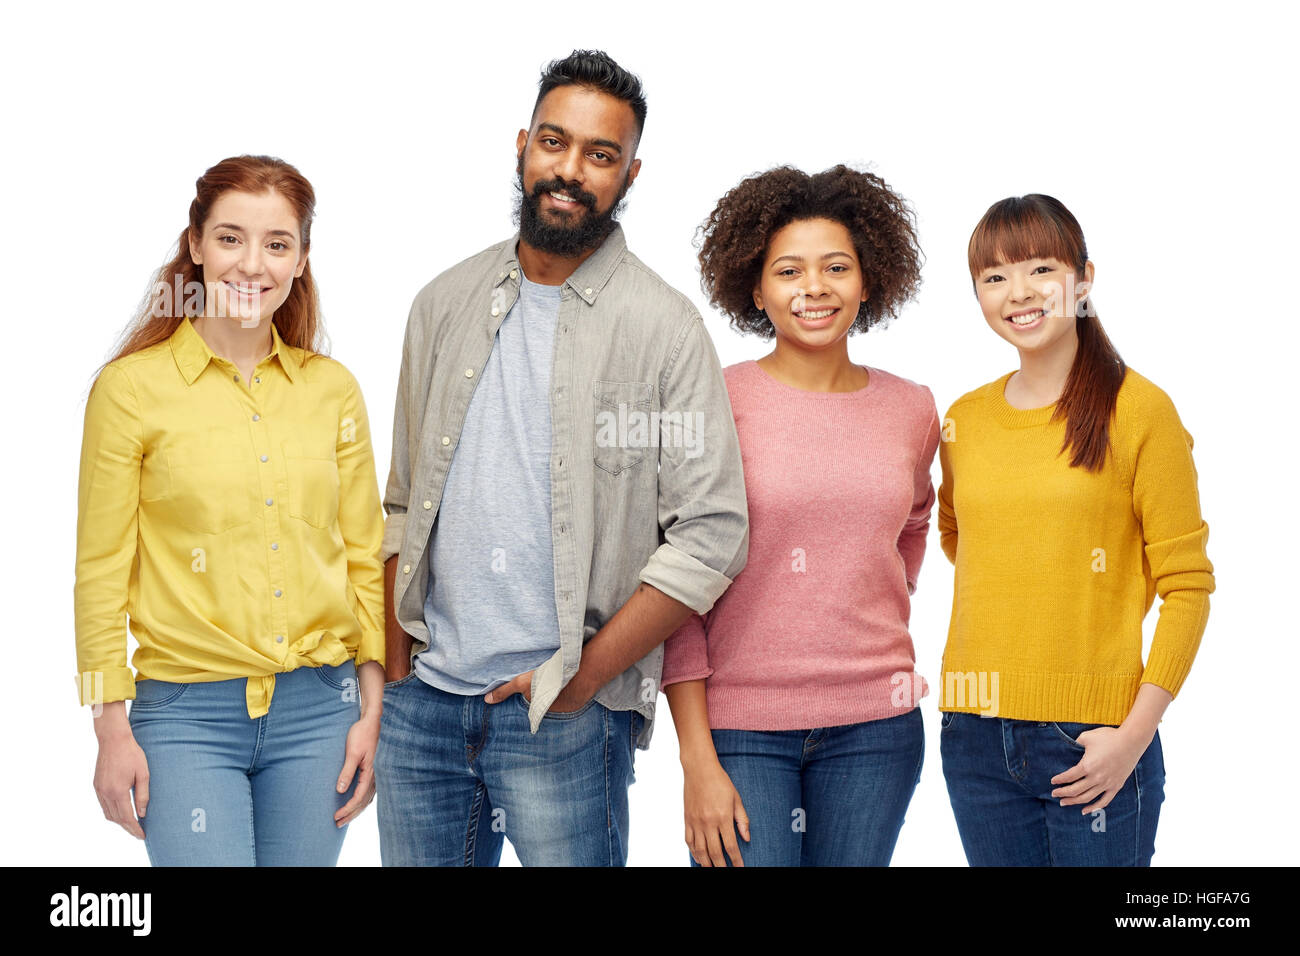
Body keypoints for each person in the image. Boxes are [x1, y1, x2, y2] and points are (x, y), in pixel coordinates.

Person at [373, 50, 748, 867]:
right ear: (522, 145)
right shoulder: (441, 304)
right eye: (554, 142)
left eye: (600, 155)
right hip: (423, 709)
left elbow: (712, 533)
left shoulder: (665, 327)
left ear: (630, 173)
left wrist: (580, 680)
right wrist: (396, 665)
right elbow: (401, 503)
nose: (570, 170)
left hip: (565, 719)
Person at [74, 155, 387, 866]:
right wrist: (109, 728)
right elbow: (99, 570)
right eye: (230, 238)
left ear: (302, 259)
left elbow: (366, 558)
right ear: (196, 245)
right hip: (186, 717)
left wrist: (373, 712)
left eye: (277, 244)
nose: (253, 265)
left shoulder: (333, 392)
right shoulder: (129, 393)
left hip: (321, 714)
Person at [660, 165, 937, 867]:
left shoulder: (913, 407)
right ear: (755, 289)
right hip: (741, 729)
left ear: (868, 280)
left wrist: (865, 596)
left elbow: (913, 520)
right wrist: (696, 756)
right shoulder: (712, 403)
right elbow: (675, 582)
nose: (814, 287)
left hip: (877, 725)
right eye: (789, 271)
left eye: (836, 267)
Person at [936, 193, 1215, 866]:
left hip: (1096, 737)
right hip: (973, 735)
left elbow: (1188, 589)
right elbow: (960, 540)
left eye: (1040, 269)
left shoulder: (1141, 410)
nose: (1018, 293)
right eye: (994, 277)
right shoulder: (964, 420)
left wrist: (1133, 736)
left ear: (1084, 279)